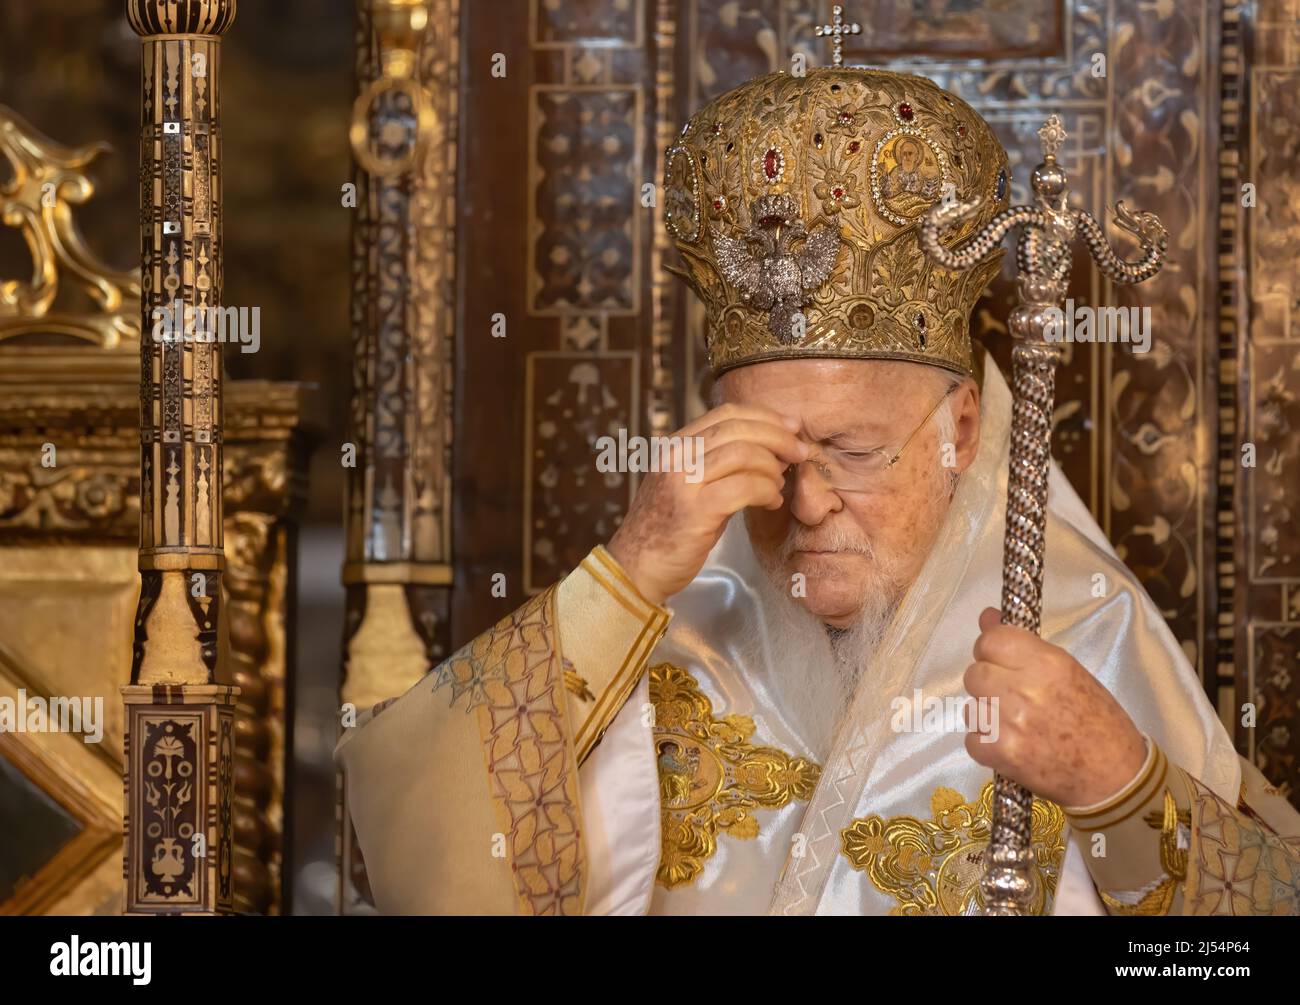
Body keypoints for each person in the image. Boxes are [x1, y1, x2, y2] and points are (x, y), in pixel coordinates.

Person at [335, 65, 1300, 916]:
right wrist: (621, 575)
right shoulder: (659, 634)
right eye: (767, 454)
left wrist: (1116, 785)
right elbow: (398, 858)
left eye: (854, 451)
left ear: (959, 429)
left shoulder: (1089, 639)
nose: (805, 507)